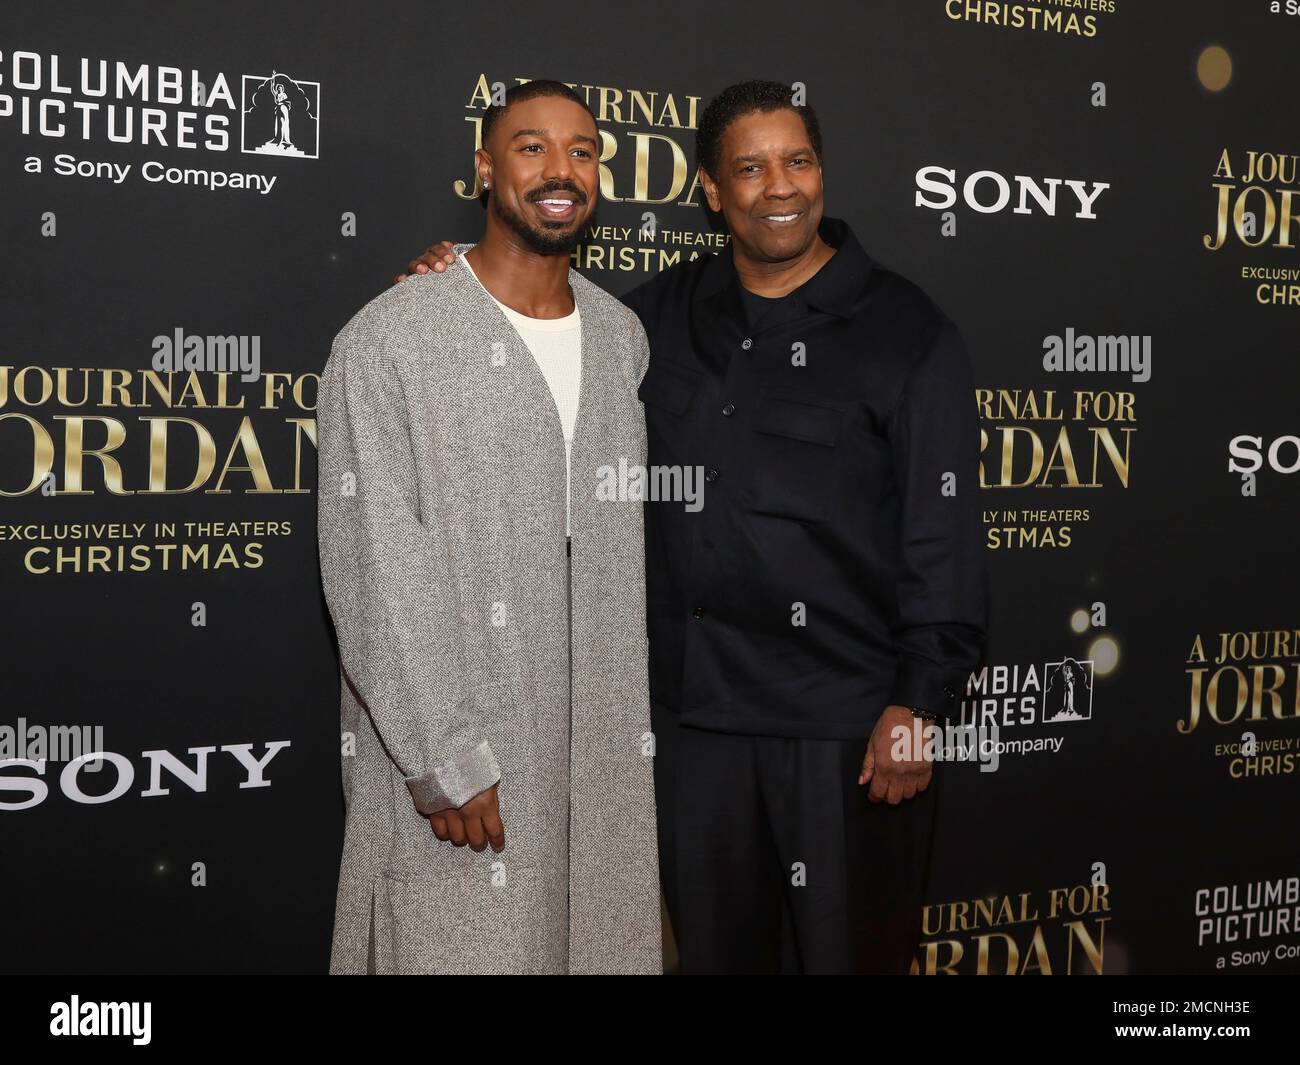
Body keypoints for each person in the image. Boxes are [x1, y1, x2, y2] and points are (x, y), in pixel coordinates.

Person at [399, 79, 989, 974]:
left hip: (847, 733)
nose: (779, 187)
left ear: (822, 171)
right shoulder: (654, 317)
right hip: (690, 728)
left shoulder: (909, 332)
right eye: (749, 169)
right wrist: (448, 287)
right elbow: (536, 320)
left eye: (797, 161)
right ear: (713, 191)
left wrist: (921, 703)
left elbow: (942, 532)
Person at [318, 80, 660, 974]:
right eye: (531, 147)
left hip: (598, 758)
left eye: (582, 151)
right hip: (465, 757)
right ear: (483, 168)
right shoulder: (390, 337)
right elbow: (374, 564)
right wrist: (445, 754)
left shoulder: (623, 334)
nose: (561, 170)